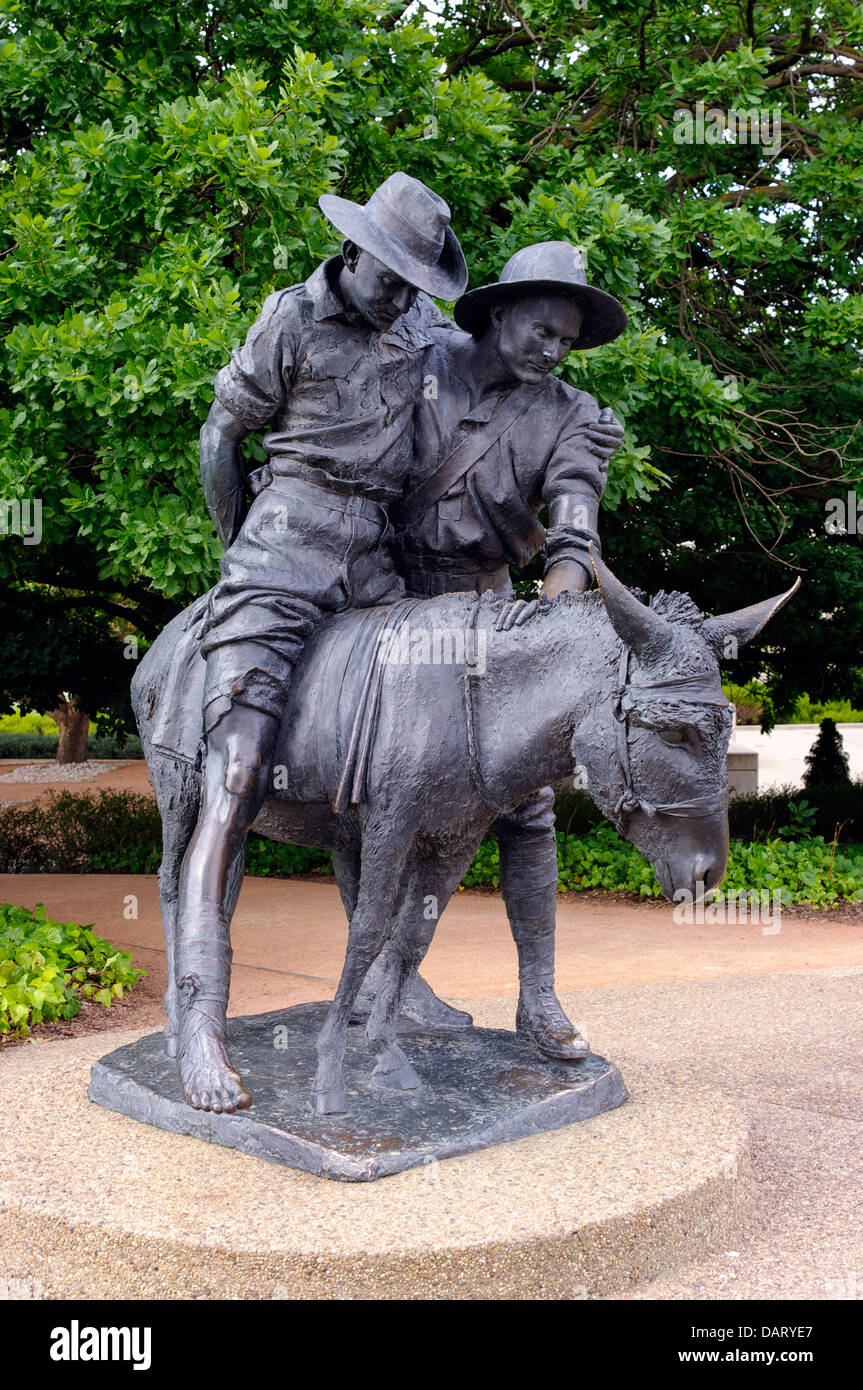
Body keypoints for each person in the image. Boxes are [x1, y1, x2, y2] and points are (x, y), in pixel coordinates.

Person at [177, 173, 468, 1113]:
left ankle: (387, 988)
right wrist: (239, 559)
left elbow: (482, 385)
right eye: (391, 277)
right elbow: (221, 436)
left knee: (409, 764)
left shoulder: (420, 329)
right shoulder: (289, 320)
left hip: (377, 557)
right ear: (353, 253)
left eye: (415, 283)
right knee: (235, 774)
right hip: (285, 540)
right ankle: (199, 1023)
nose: (401, 296)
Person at [367, 241, 627, 1059]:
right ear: (502, 309)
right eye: (542, 329)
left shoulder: (573, 415)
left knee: (526, 806)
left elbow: (572, 527)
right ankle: (382, 977)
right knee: (361, 784)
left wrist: (550, 624)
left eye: (567, 340)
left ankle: (539, 997)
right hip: (378, 594)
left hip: (486, 610)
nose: (553, 350)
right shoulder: (420, 359)